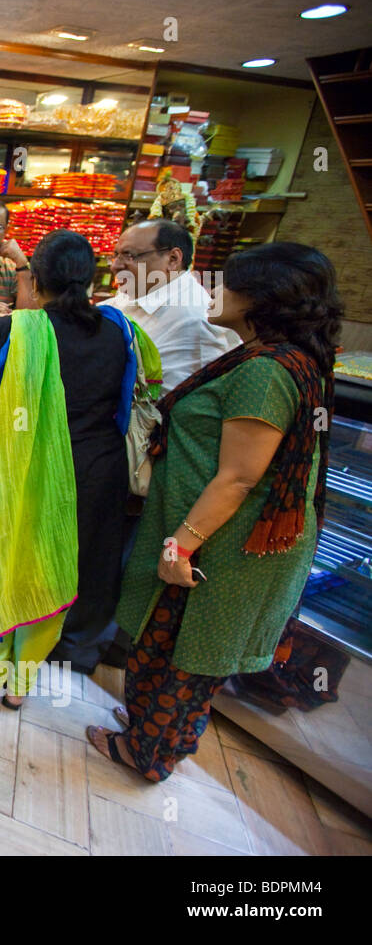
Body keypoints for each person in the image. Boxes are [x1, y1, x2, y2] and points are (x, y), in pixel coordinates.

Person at [93, 242, 341, 782]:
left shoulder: (268, 371)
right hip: (222, 537)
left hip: (221, 546)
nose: (212, 292)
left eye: (225, 284)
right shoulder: (273, 358)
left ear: (261, 299)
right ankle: (156, 734)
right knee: (176, 648)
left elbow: (239, 476)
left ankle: (146, 753)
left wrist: (181, 544)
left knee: (179, 653)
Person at [0, 229, 146, 704]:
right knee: (54, 570)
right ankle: (22, 683)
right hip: (93, 477)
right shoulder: (120, 330)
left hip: (21, 474)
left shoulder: (17, 330)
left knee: (4, 566)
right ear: (92, 279)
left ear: (36, 279)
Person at [105, 218, 239, 395]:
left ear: (173, 259)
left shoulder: (195, 318)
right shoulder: (136, 290)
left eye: (129, 256)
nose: (116, 265)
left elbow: (166, 402)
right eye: (115, 256)